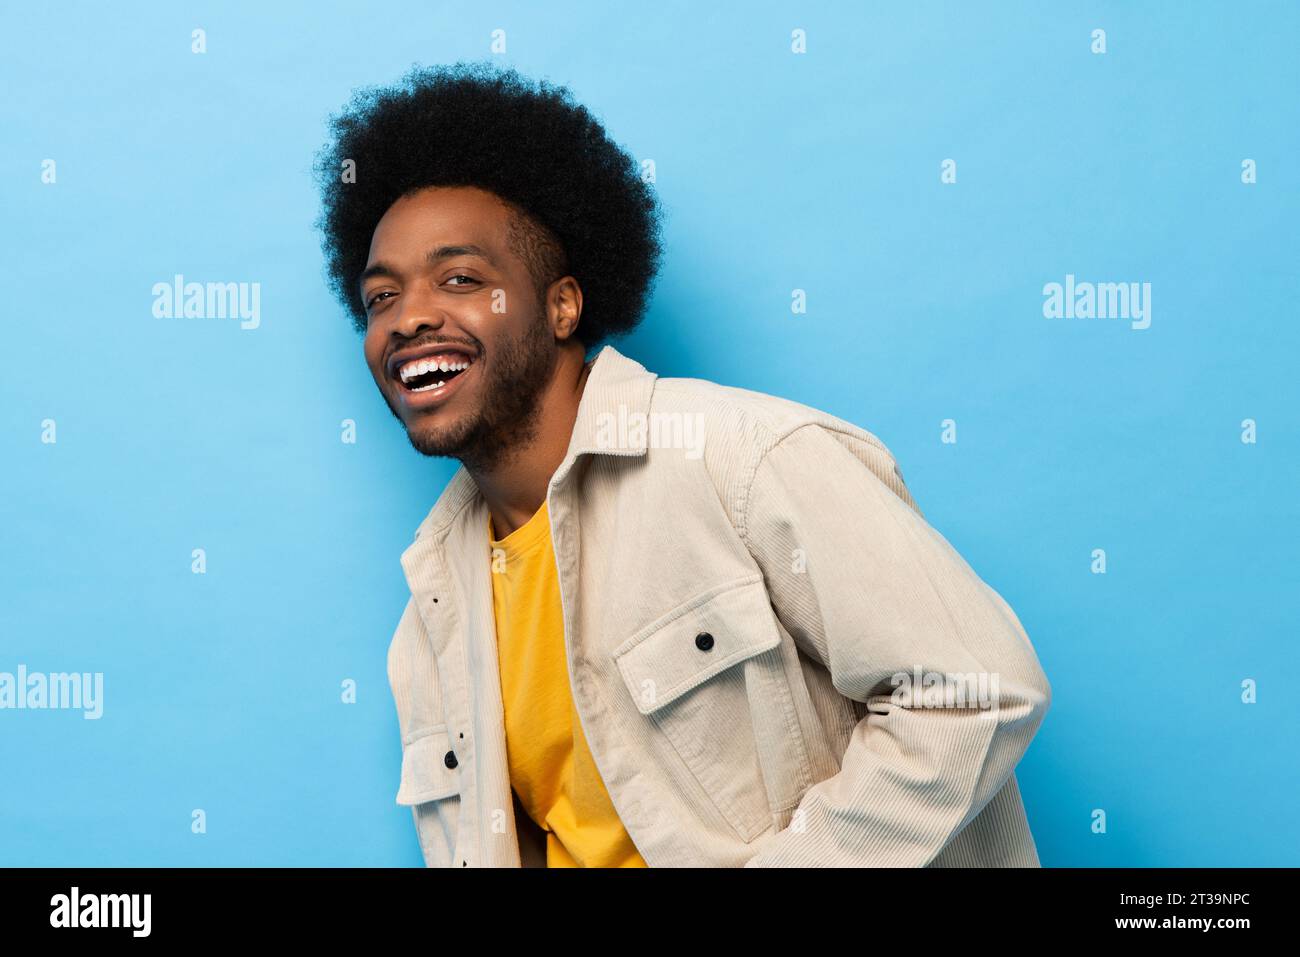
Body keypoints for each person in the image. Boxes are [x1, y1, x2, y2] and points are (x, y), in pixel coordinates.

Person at [313, 61, 1052, 867]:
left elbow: (974, 688)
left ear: (562, 305)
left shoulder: (741, 458)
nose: (410, 315)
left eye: (460, 279)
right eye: (380, 297)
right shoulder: (430, 616)